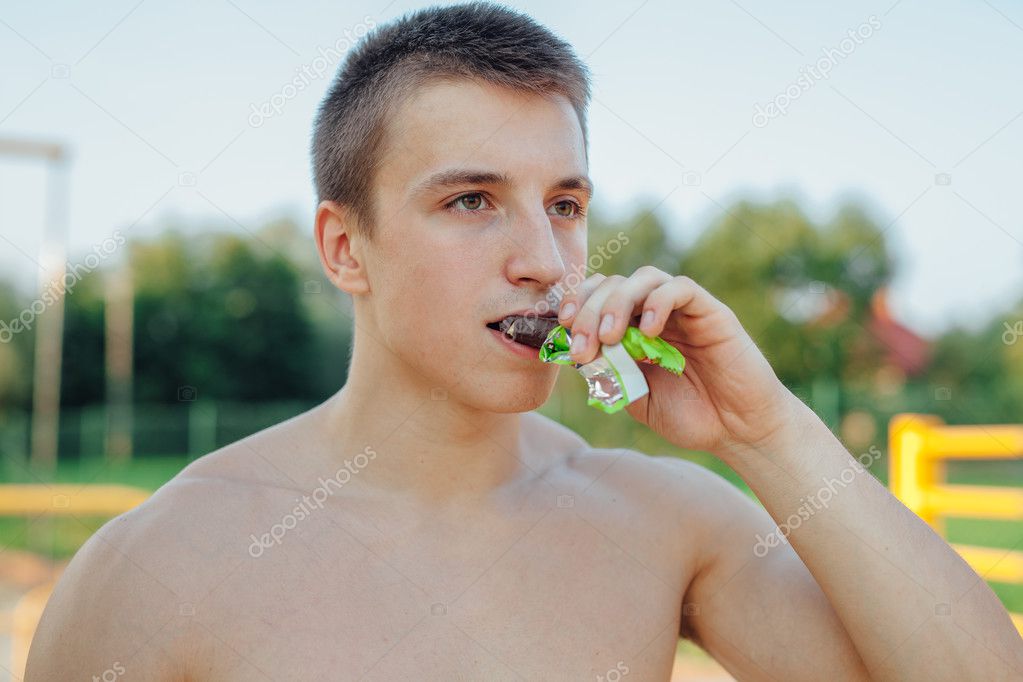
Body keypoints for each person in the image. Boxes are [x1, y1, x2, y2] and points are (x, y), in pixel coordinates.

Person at [26, 3, 1023, 680]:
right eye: (472, 200)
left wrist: (766, 432)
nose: (546, 258)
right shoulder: (160, 563)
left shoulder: (664, 519)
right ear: (345, 247)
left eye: (564, 203)